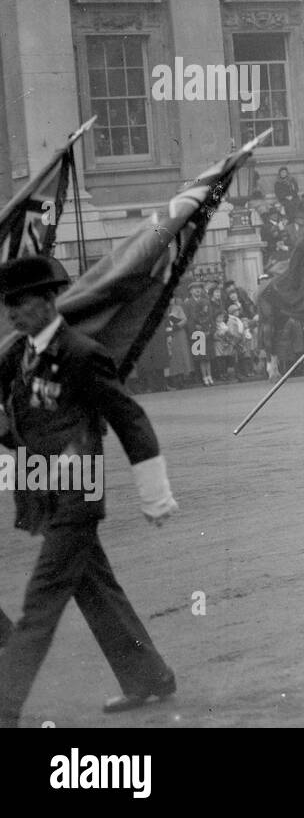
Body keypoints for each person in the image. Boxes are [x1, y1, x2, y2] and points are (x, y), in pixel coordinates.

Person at [0, 256, 178, 726]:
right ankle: (149, 677)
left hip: (79, 493)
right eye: (8, 304)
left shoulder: (81, 352)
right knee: (95, 588)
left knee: (40, 603)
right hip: (40, 489)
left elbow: (128, 417)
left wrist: (153, 492)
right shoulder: (14, 356)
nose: (13, 313)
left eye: (21, 303)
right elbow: (14, 421)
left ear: (47, 300)